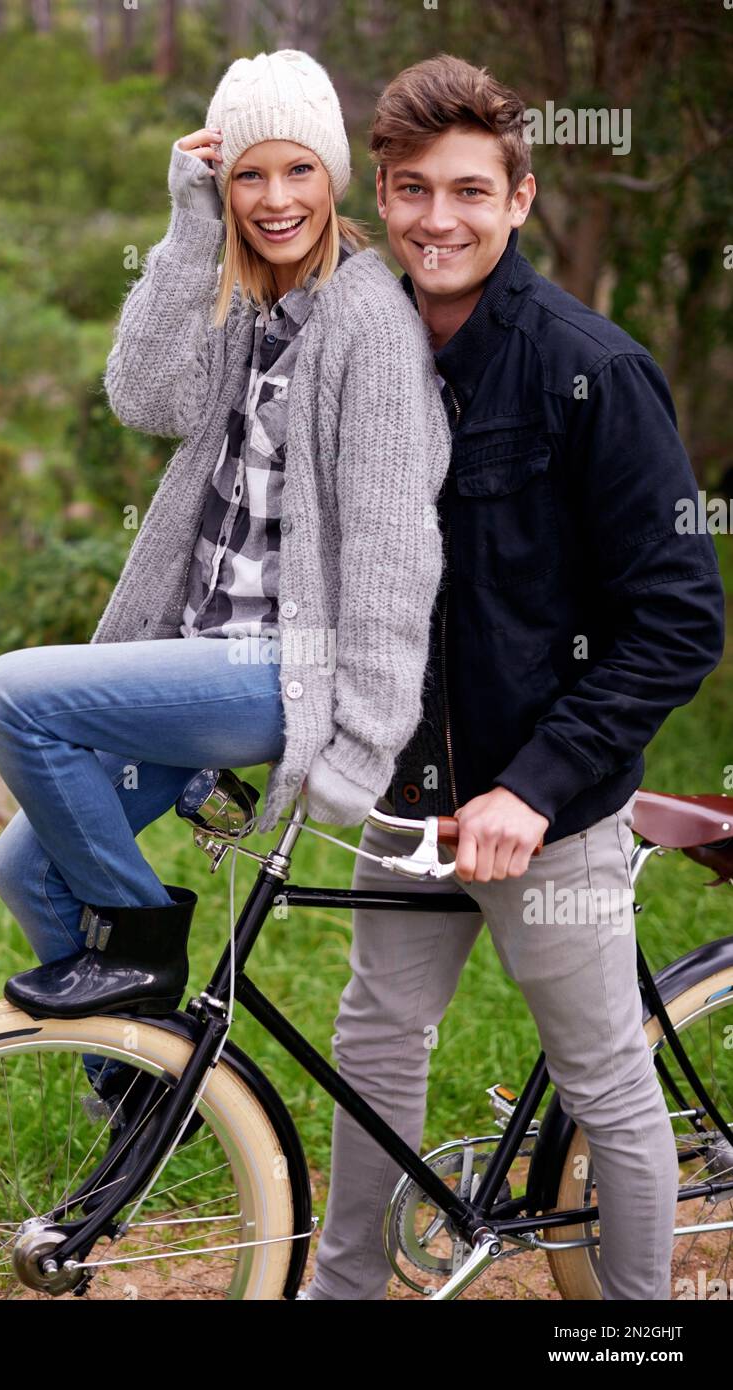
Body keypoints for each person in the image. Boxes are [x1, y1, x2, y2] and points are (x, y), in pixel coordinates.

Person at [300, 53, 726, 1301]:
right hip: (403, 793)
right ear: (378, 197)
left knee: (602, 1080)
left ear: (519, 199)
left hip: (552, 813)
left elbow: (676, 618)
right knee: (373, 1047)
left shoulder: (590, 370)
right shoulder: (360, 349)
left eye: (469, 192)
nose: (439, 220)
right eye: (411, 191)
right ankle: (339, 1290)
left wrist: (531, 791)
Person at [0, 50, 451, 1113]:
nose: (274, 200)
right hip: (204, 654)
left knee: (5, 693)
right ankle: (152, 1096)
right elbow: (143, 394)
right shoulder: (253, 306)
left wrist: (357, 745)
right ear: (220, 183)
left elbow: (389, 551)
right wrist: (188, 232)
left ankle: (142, 946)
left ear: (331, 178)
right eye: (246, 177)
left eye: (297, 173)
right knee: (25, 869)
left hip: (283, 670)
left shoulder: (365, 322)